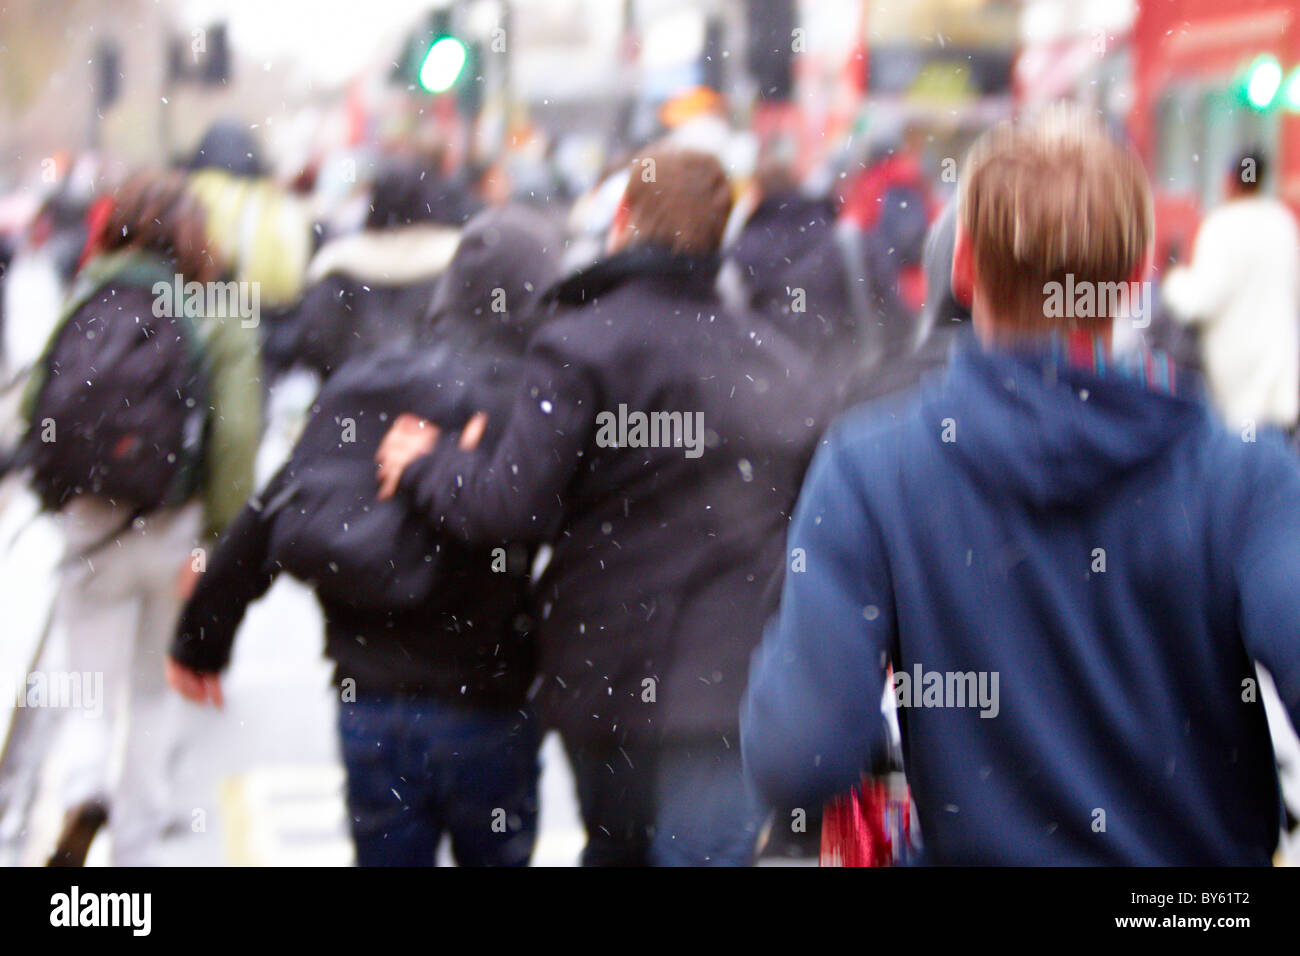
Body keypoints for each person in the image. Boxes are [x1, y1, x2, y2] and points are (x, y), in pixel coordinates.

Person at [743, 108, 1300, 865]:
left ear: (963, 265)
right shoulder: (1245, 477)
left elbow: (798, 755)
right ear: (1137, 273)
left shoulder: (872, 470)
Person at [375, 148, 825, 866]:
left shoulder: (579, 345)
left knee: (614, 848)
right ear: (721, 235)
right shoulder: (772, 356)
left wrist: (432, 464)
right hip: (730, 679)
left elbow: (509, 508)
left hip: (603, 672)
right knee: (707, 856)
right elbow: (816, 521)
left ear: (622, 221)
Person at [167, 205, 564, 866]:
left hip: (369, 696)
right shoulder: (536, 400)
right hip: (487, 701)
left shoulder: (370, 380)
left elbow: (273, 507)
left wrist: (203, 635)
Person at [20, 171, 261, 865]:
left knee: (88, 687)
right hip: (173, 526)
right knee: (153, 697)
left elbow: (38, 403)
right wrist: (217, 540)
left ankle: (84, 785)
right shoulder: (218, 311)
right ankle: (133, 856)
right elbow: (238, 437)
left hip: (93, 523)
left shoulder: (89, 291)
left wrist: (57, 499)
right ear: (194, 236)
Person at [1162, 149, 1300, 432]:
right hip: (1279, 384)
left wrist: (1172, 280)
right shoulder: (1282, 223)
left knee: (1240, 469)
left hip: (1236, 388)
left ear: (1230, 180)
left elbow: (1199, 302)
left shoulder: (1221, 226)